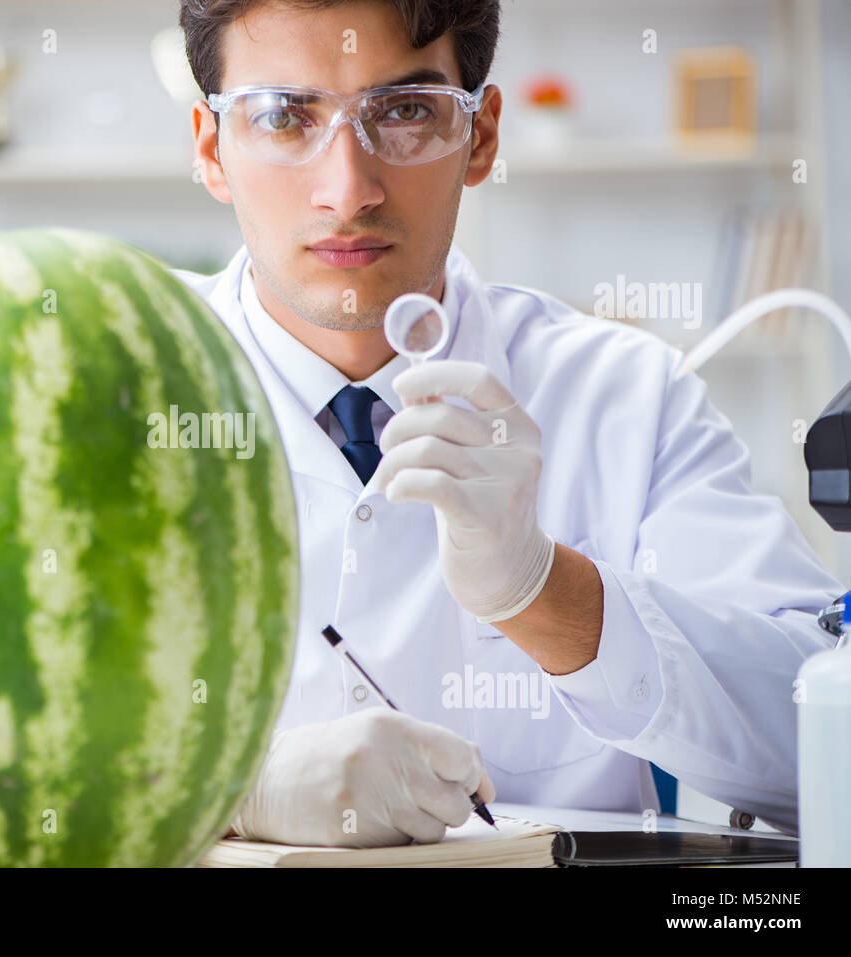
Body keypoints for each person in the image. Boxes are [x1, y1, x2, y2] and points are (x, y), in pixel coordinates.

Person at [169, 0, 843, 846]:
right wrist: (231, 788)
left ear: (481, 136)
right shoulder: (102, 388)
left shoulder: (626, 396)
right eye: (283, 116)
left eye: (405, 111)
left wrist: (543, 592)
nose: (347, 188)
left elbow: (821, 745)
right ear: (210, 147)